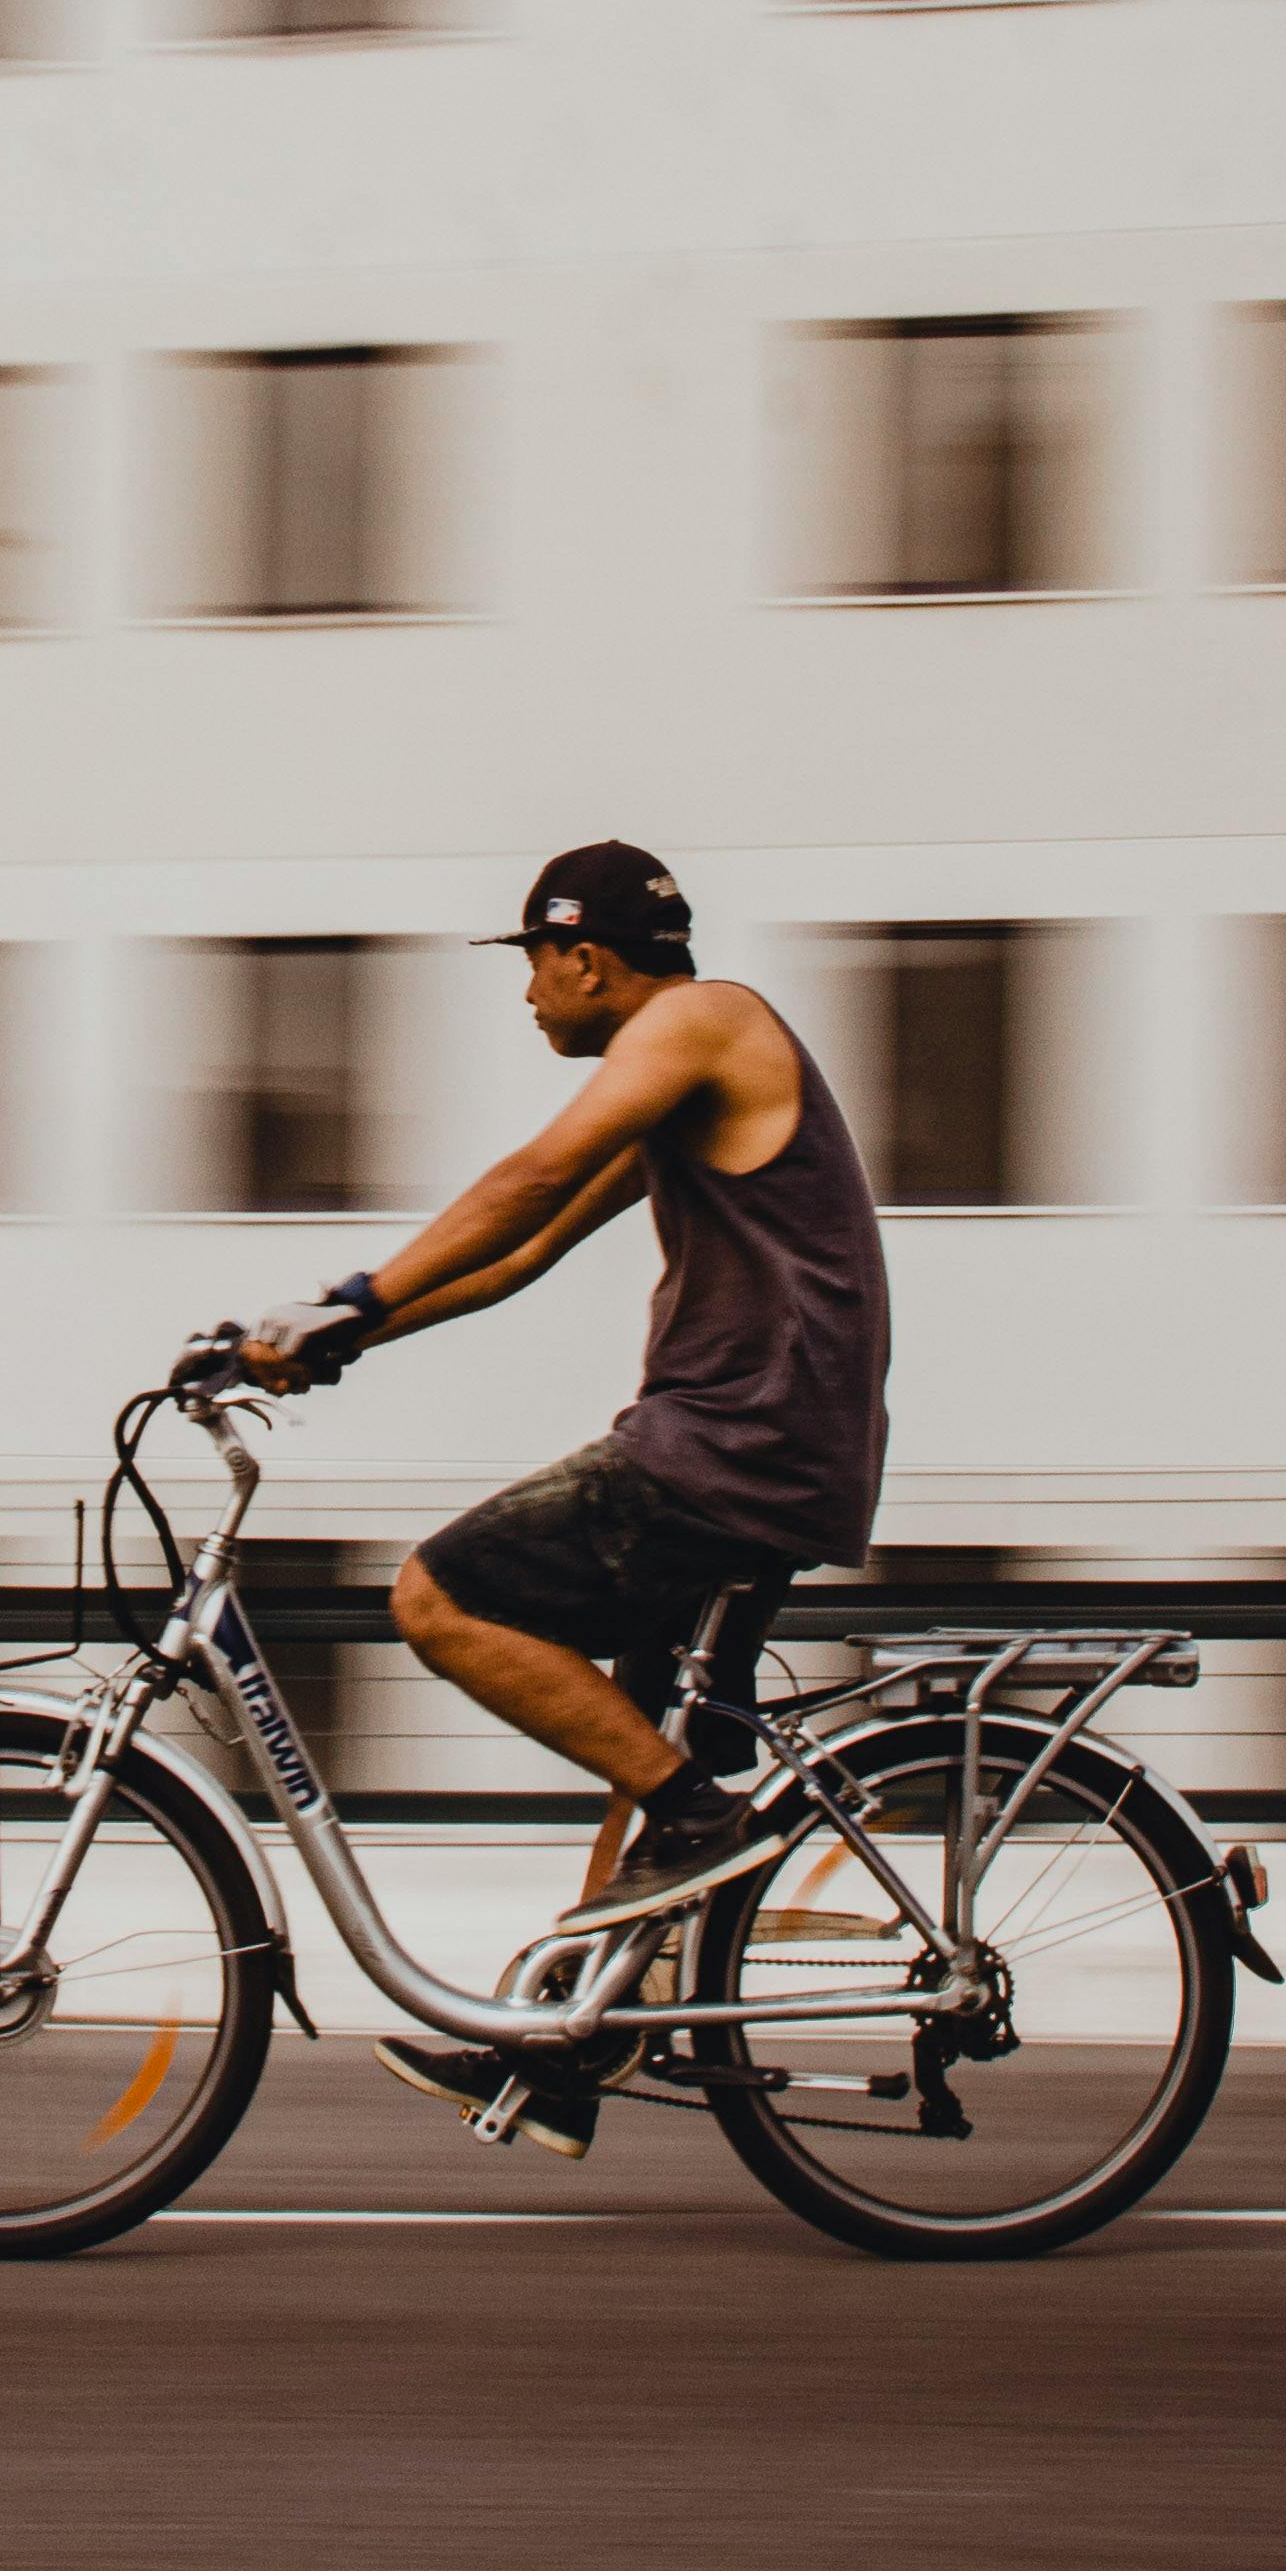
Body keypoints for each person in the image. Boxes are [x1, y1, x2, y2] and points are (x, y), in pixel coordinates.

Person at [232, 841, 891, 2159]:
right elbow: (527, 1250)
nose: (527, 993)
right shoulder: (685, 1074)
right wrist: (348, 1339)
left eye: (531, 964)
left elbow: (525, 1180)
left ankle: (703, 1821)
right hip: (775, 1451)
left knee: (439, 1595)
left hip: (731, 1447)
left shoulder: (705, 1022)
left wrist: (351, 1295)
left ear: (587, 954)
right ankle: (580, 2050)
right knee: (635, 1743)